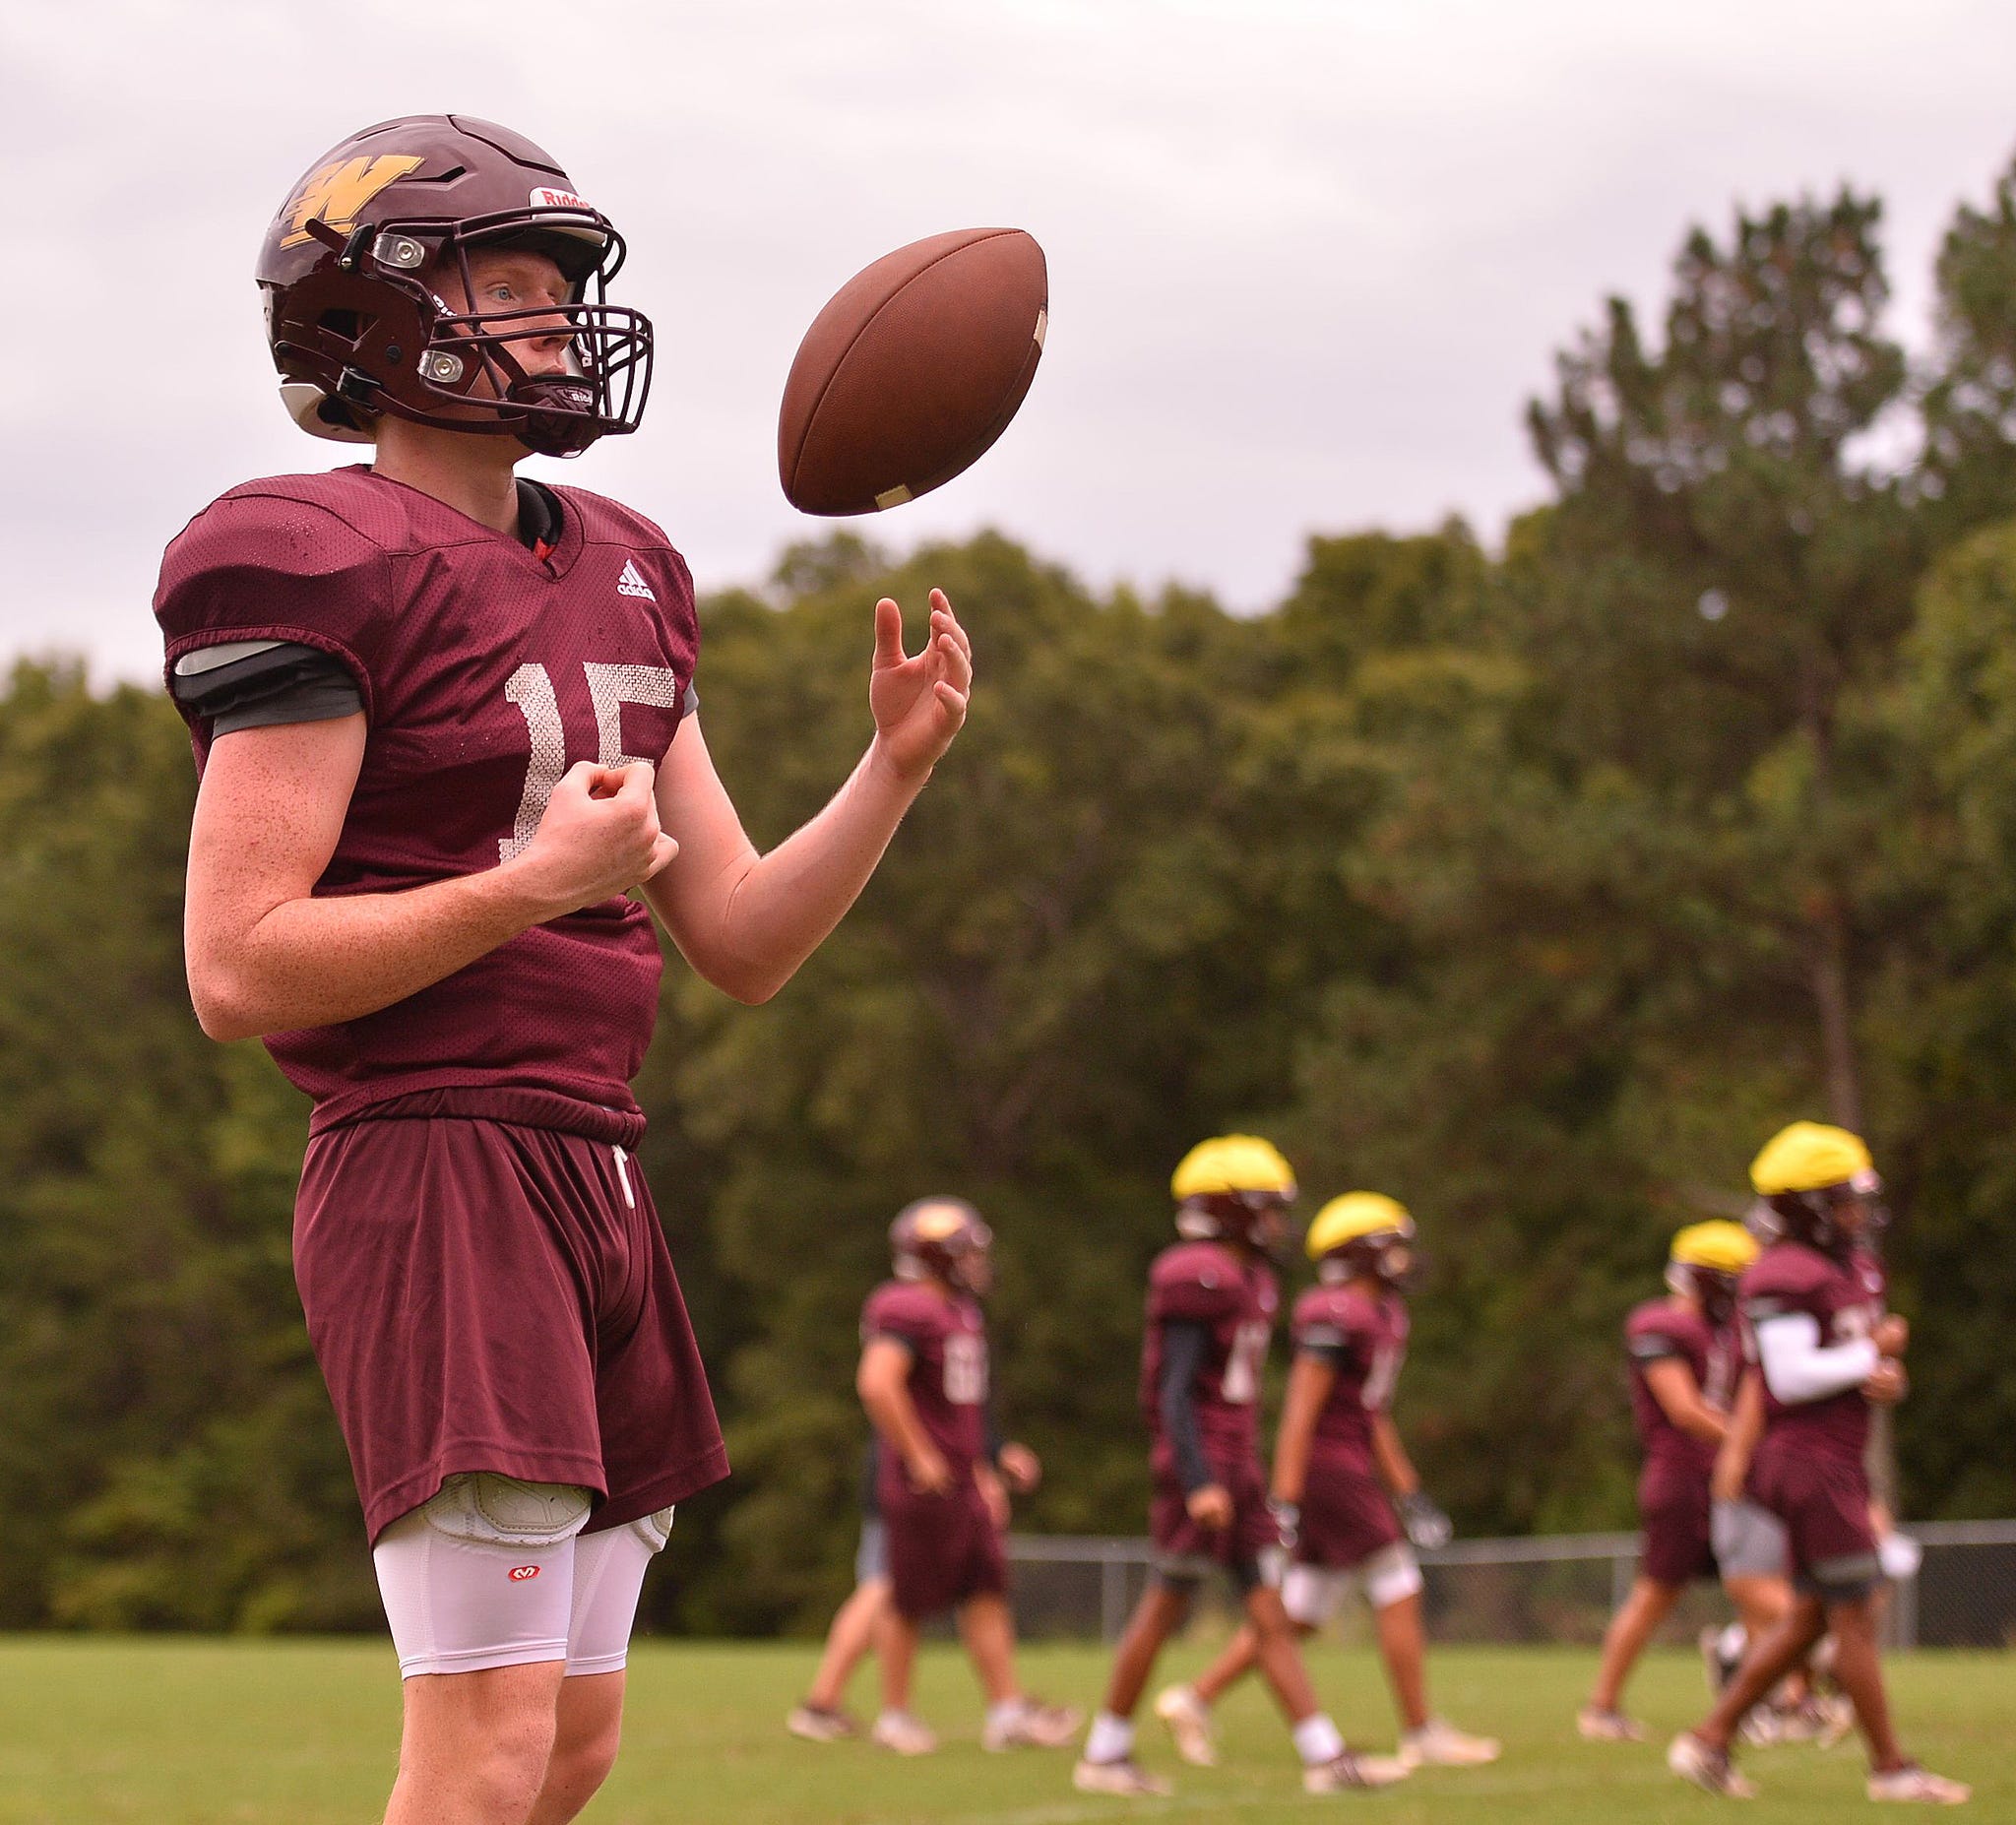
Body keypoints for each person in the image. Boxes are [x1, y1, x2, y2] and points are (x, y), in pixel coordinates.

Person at [155, 116, 974, 1825]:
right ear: (365, 317)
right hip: (434, 1152)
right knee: (482, 1751)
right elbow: (238, 967)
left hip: (592, 1159)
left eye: (559, 290)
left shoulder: (624, 561)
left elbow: (738, 933)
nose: (549, 323)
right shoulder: (312, 552)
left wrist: (888, 767)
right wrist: (529, 884)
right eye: (503, 286)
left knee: (574, 1749)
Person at [1073, 1138, 1408, 1798]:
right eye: (1267, 1209)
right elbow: (1172, 1390)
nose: (1279, 1224)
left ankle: (1323, 1757)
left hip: (1238, 1464)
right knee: (1164, 1608)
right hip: (1201, 1468)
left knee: (1269, 1614)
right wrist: (1196, 1479)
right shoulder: (1197, 1273)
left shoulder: (1251, 1279)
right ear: (1230, 1212)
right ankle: (1104, 1754)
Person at [1667, 1125, 1969, 1805]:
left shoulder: (1850, 1266)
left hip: (1834, 1456)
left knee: (1809, 1617)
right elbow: (1791, 1373)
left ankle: (1708, 1741)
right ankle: (1892, 1769)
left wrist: (1883, 1372)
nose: (1858, 1214)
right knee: (1854, 1615)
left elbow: (1847, 1358)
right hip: (1806, 1463)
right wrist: (1873, 1358)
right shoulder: (1783, 1271)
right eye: (1844, 1201)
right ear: (1808, 1207)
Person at [1156, 1193, 1498, 1772]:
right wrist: (1286, 1498)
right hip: (1328, 1470)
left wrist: (1409, 1490)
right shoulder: (1335, 1311)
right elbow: (1299, 1412)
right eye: (1393, 1245)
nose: (1404, 1258)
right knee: (1397, 1581)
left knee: (1303, 1610)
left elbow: (1375, 1414)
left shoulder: (1384, 1314)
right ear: (1362, 1254)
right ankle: (1420, 1728)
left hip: (1346, 1464)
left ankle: (1196, 1698)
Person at [850, 1197, 1078, 1756]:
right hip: (924, 1482)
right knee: (908, 1599)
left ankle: (1005, 1712)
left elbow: (963, 1406)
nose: (978, 1261)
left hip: (962, 1478)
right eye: (966, 1251)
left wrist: (994, 1455)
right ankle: (895, 1716)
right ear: (936, 1257)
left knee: (985, 1591)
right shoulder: (906, 1307)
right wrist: (919, 1454)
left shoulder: (960, 1311)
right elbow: (878, 1383)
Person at [1579, 1221, 1799, 1741]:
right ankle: (1602, 1705)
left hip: (1727, 1478)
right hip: (1682, 1480)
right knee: (1657, 1594)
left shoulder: (1723, 1334)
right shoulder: (1662, 1326)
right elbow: (1685, 1411)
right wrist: (1752, 1443)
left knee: (1755, 1587)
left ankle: (1771, 1698)